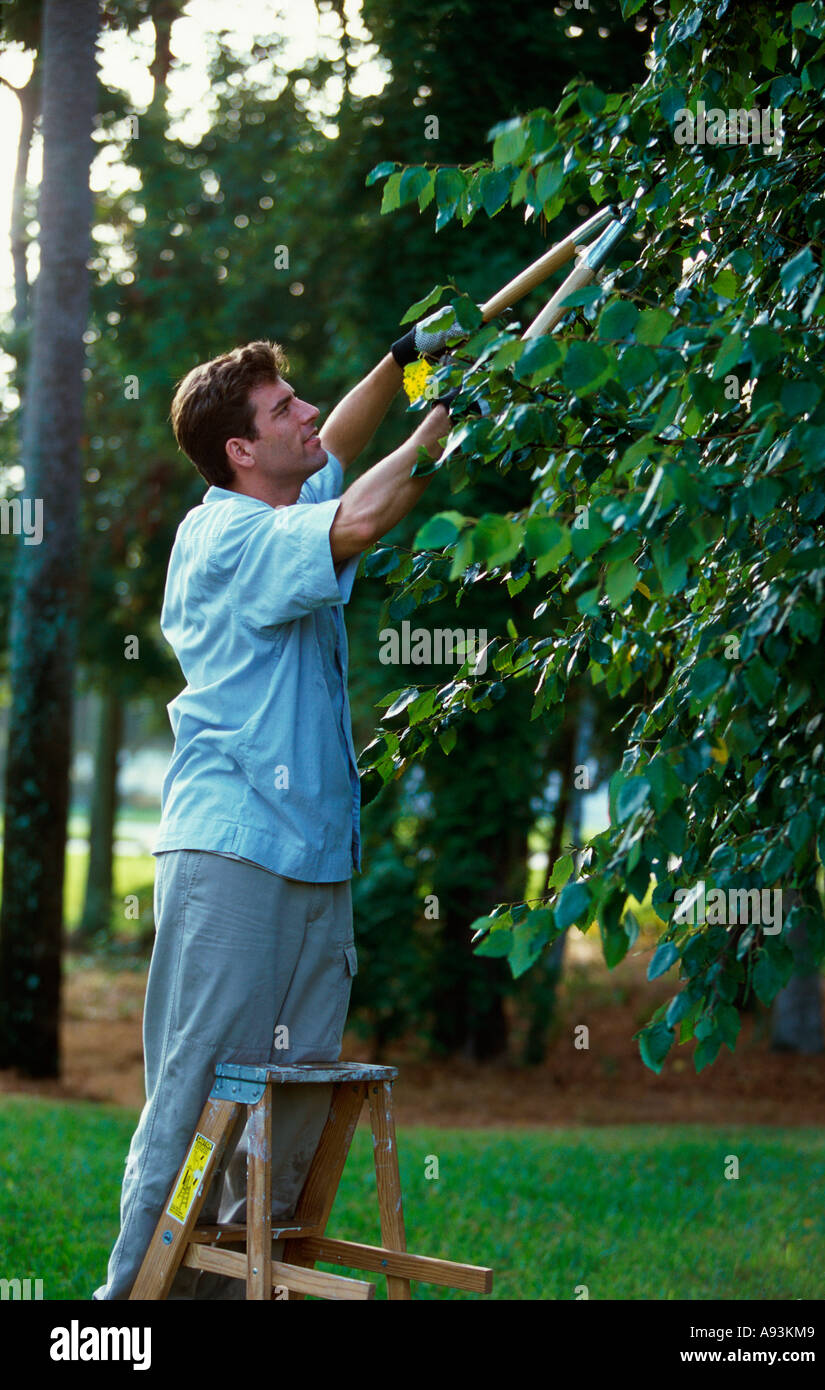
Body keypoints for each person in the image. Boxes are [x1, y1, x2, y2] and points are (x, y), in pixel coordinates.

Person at [93, 320, 452, 1299]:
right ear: (239, 452)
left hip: (314, 862)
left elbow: (337, 451)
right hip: (233, 860)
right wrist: (448, 421)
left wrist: (407, 357)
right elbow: (365, 517)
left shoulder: (285, 497)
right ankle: (127, 1311)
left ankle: (237, 1297)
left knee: (286, 1118)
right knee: (197, 1103)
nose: (307, 416)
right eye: (282, 409)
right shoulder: (227, 534)